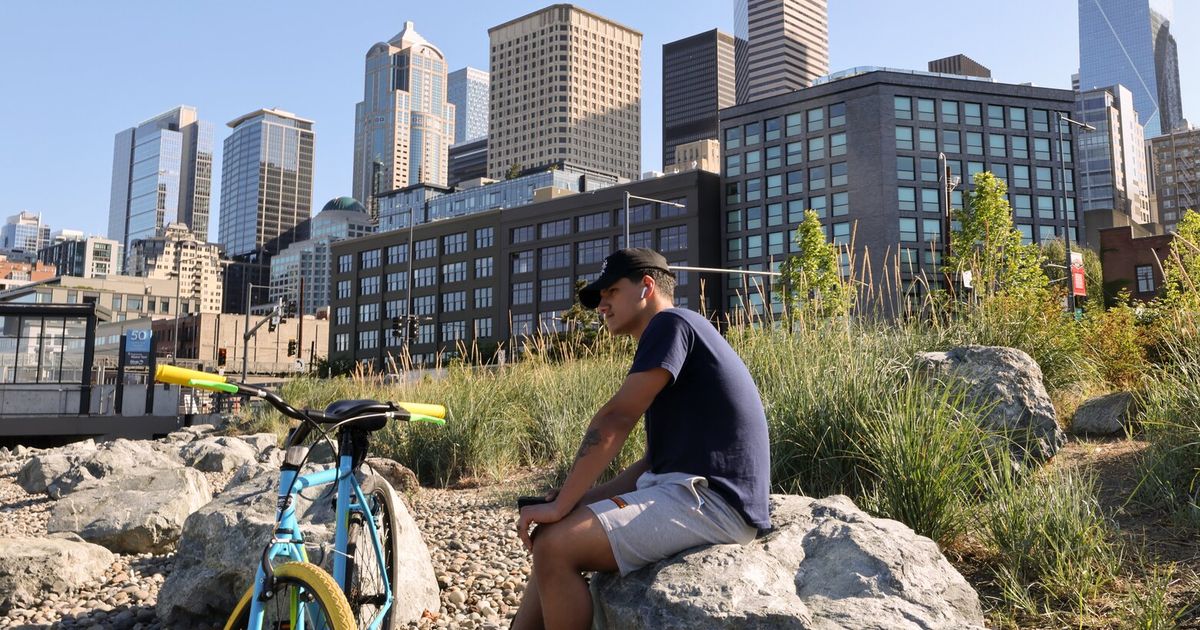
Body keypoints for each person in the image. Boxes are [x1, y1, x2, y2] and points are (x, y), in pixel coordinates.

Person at [512, 248, 771, 630]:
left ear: (646, 287)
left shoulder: (670, 325)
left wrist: (561, 505)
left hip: (715, 502)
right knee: (553, 535)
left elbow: (617, 418)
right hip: (687, 491)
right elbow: (654, 464)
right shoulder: (679, 335)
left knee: (554, 546)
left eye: (611, 292)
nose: (601, 305)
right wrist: (576, 500)